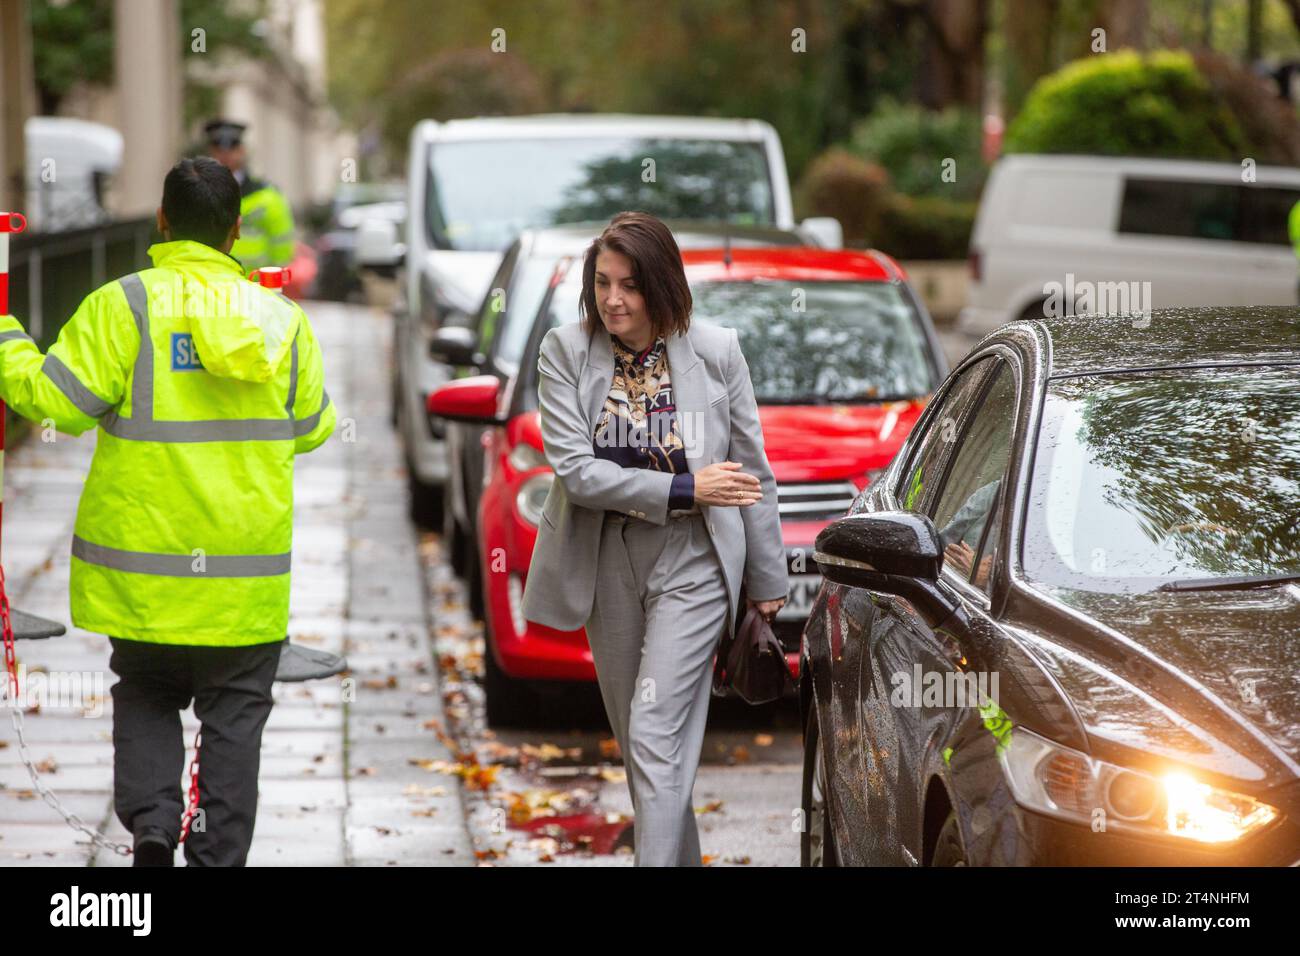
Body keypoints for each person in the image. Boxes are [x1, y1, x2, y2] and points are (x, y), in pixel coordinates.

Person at [0, 157, 335, 866]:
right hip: (244, 583)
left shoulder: (122, 306)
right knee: (235, 720)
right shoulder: (280, 321)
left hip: (144, 572)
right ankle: (214, 854)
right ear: (237, 231)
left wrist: (4, 335)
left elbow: (55, 402)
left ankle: (153, 824)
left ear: (161, 220)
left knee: (147, 692)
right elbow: (312, 426)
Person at [520, 211, 788, 866]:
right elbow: (578, 473)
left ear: (662, 285)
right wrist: (684, 488)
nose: (613, 299)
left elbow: (751, 470)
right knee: (647, 748)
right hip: (605, 556)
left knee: (653, 733)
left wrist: (768, 581)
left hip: (693, 558)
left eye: (630, 285)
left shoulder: (716, 350)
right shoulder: (564, 350)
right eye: (603, 282)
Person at [205, 119, 296, 272]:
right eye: (218, 148)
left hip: (255, 286)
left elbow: (282, 249)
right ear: (210, 151)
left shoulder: (268, 196)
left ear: (242, 150)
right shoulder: (199, 193)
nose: (225, 155)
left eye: (232, 148)